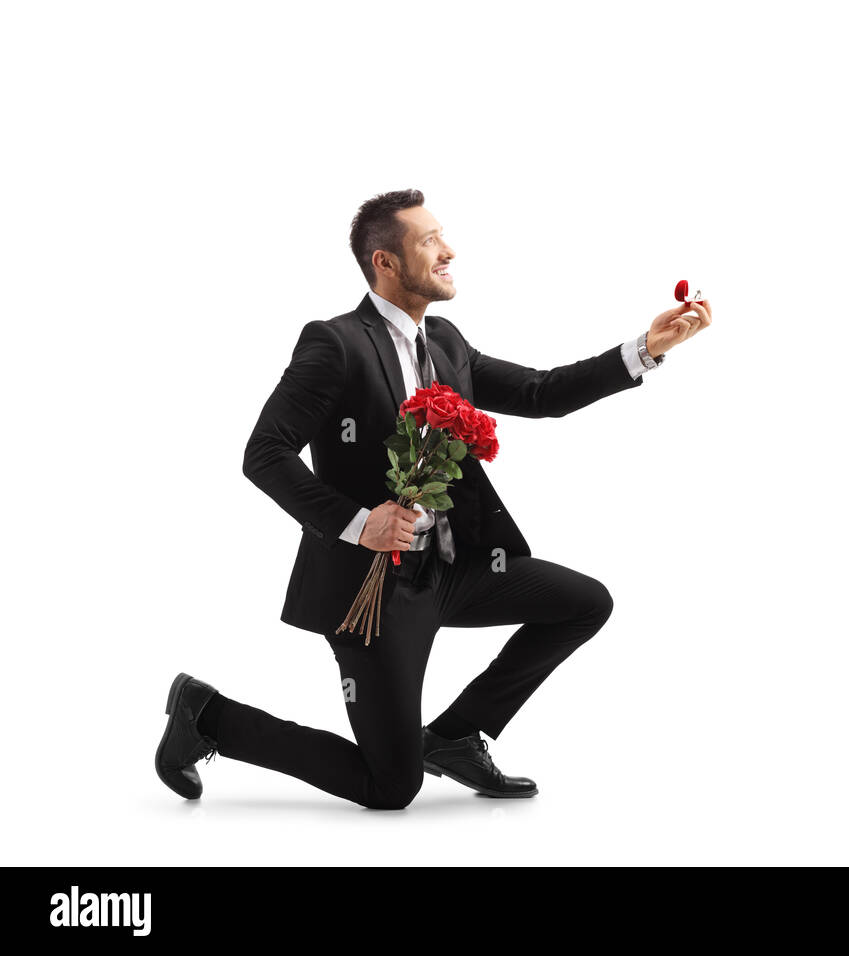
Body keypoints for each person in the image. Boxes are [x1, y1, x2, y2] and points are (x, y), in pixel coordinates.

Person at [154, 188, 711, 809]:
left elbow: (539, 393)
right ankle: (207, 717)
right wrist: (359, 523)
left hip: (456, 568)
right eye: (429, 241)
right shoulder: (334, 344)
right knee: (390, 787)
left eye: (443, 236)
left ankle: (453, 736)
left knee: (584, 603)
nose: (449, 250)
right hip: (375, 590)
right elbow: (265, 452)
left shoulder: (444, 341)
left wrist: (645, 350)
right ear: (385, 263)